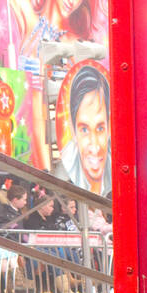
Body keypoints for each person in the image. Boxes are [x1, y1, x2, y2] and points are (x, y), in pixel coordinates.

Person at [57, 62, 111, 199]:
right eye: (84, 129)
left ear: (110, 128)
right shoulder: (67, 173)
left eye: (100, 128)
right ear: (73, 130)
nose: (94, 146)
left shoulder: (122, 170)